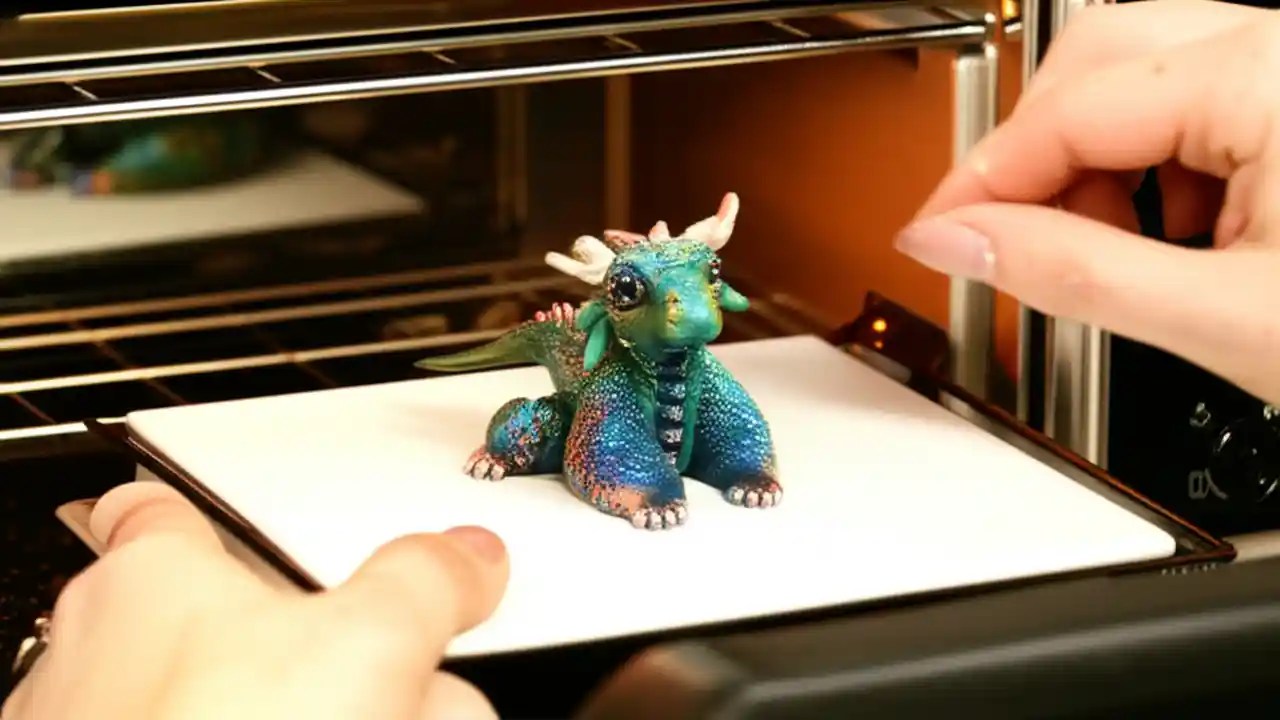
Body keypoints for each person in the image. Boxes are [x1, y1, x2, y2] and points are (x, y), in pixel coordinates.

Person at [5, 0, 1279, 717]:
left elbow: (728, 428)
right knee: (540, 433)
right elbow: (607, 445)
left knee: (717, 430)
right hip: (579, 406)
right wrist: (618, 481)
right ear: (623, 303)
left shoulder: (699, 358)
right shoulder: (604, 370)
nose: (693, 313)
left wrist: (746, 465)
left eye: (708, 290)